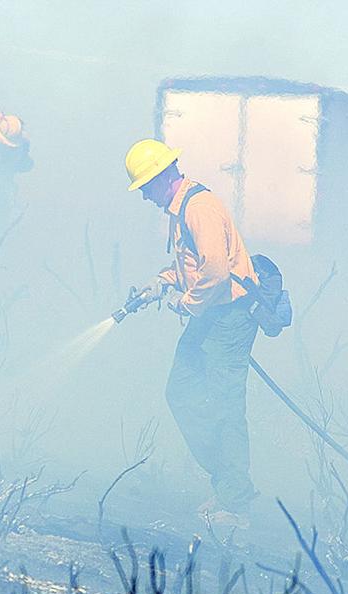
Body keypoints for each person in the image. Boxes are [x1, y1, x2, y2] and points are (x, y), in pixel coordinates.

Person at [125, 138, 260, 527]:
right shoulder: (181, 207)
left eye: (146, 187)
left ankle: (236, 505)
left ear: (165, 176)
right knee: (181, 392)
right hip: (211, 315)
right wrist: (161, 282)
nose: (145, 196)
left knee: (226, 407)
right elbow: (195, 265)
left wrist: (186, 303)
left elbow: (216, 272)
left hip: (229, 319)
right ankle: (227, 483)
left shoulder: (198, 207)